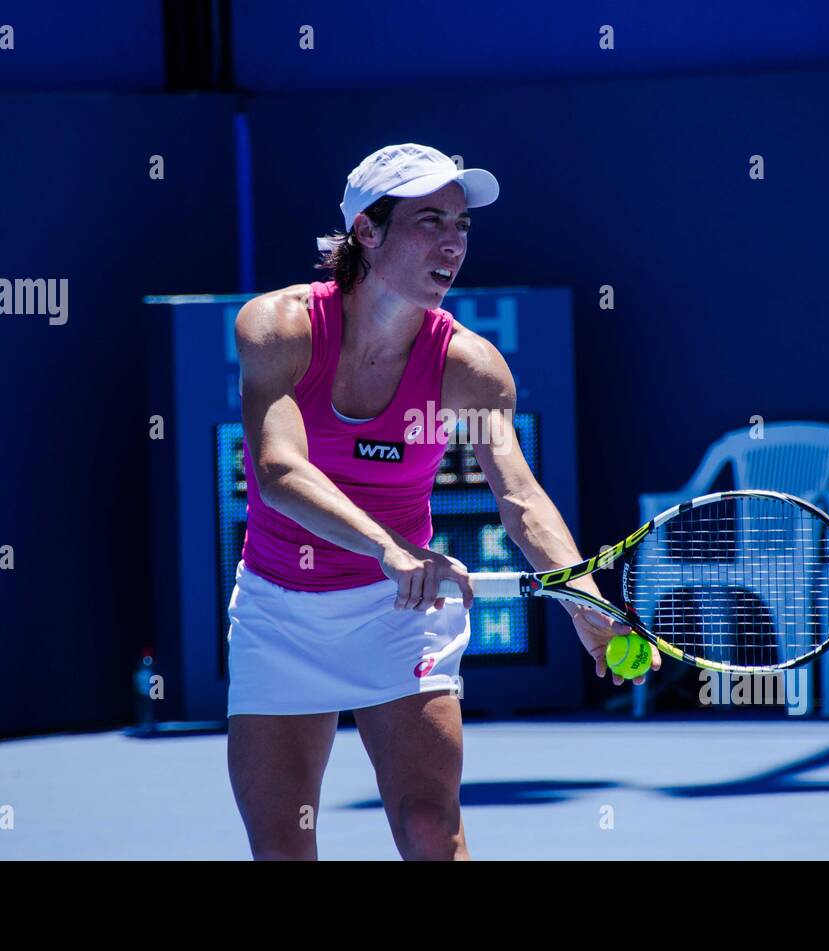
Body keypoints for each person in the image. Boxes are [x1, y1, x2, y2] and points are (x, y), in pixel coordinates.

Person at [225, 143, 656, 860]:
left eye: (461, 224)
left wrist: (586, 599)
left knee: (429, 824)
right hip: (280, 613)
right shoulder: (279, 328)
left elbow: (518, 495)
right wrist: (391, 548)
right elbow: (277, 471)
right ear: (367, 230)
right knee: (282, 846)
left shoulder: (470, 367)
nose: (453, 242)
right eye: (431, 221)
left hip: (401, 617)